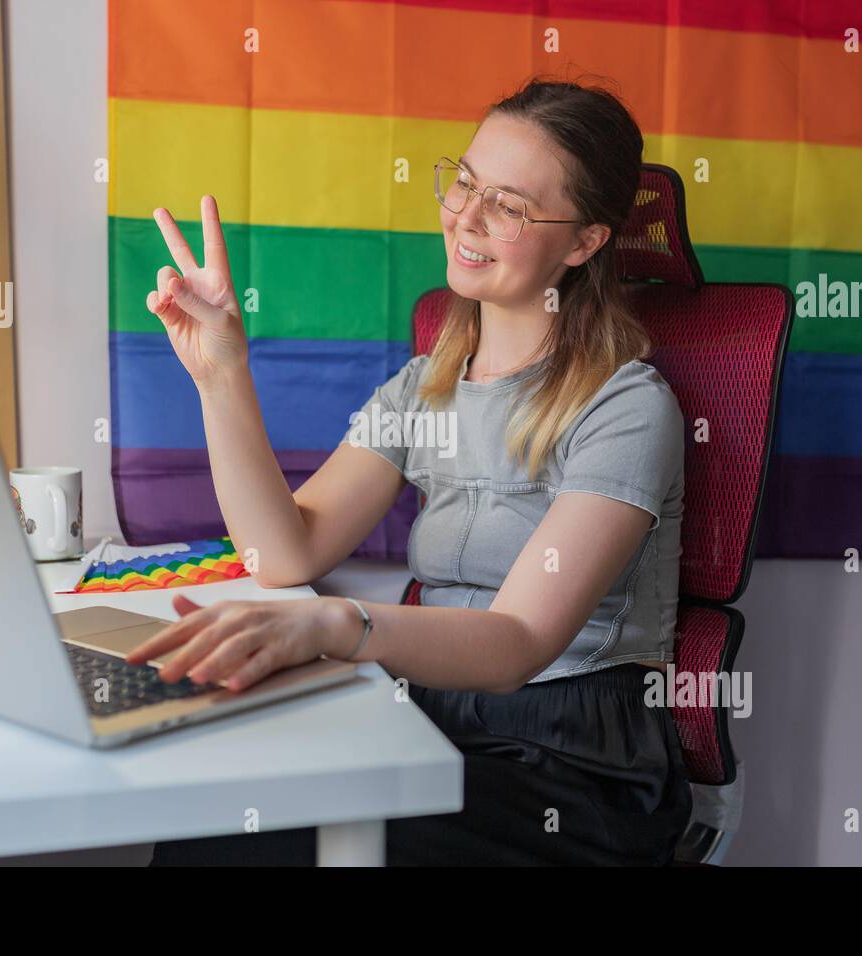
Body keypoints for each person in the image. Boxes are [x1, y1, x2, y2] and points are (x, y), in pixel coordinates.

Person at [132, 74, 693, 866]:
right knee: (217, 808)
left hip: (569, 770)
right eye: (464, 181)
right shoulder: (426, 382)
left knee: (271, 842)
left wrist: (336, 626)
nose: (465, 216)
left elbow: (518, 640)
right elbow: (282, 552)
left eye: (509, 204)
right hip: (427, 719)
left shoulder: (628, 408)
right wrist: (221, 374)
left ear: (583, 242)